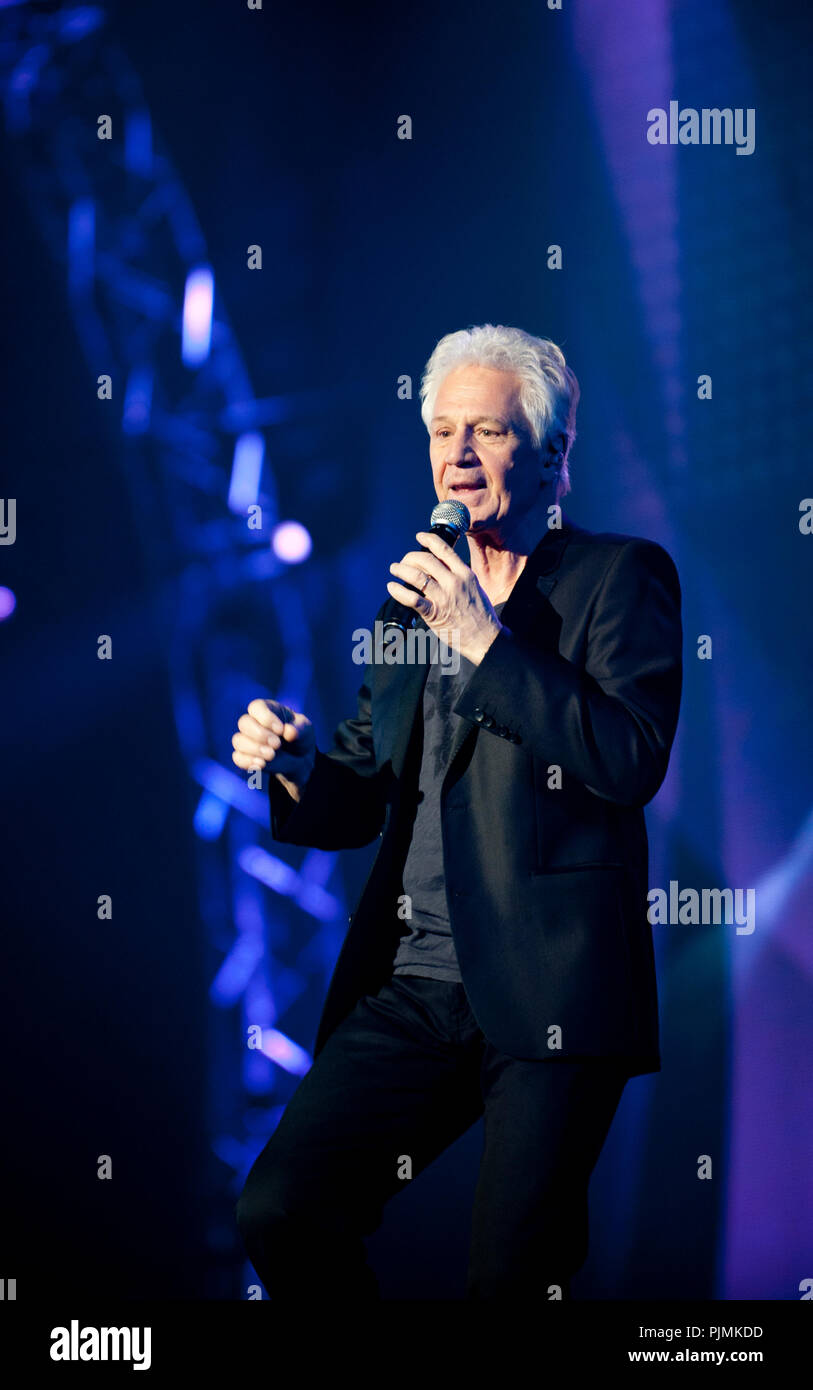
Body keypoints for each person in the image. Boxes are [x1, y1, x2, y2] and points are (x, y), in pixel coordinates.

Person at [232, 323, 683, 1300]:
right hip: (417, 982)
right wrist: (298, 761)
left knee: (511, 1279)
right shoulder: (409, 605)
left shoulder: (620, 576)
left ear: (554, 452)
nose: (458, 455)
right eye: (443, 431)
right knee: (280, 1205)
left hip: (552, 988)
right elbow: (362, 791)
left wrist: (486, 643)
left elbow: (629, 758)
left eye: (486, 431)